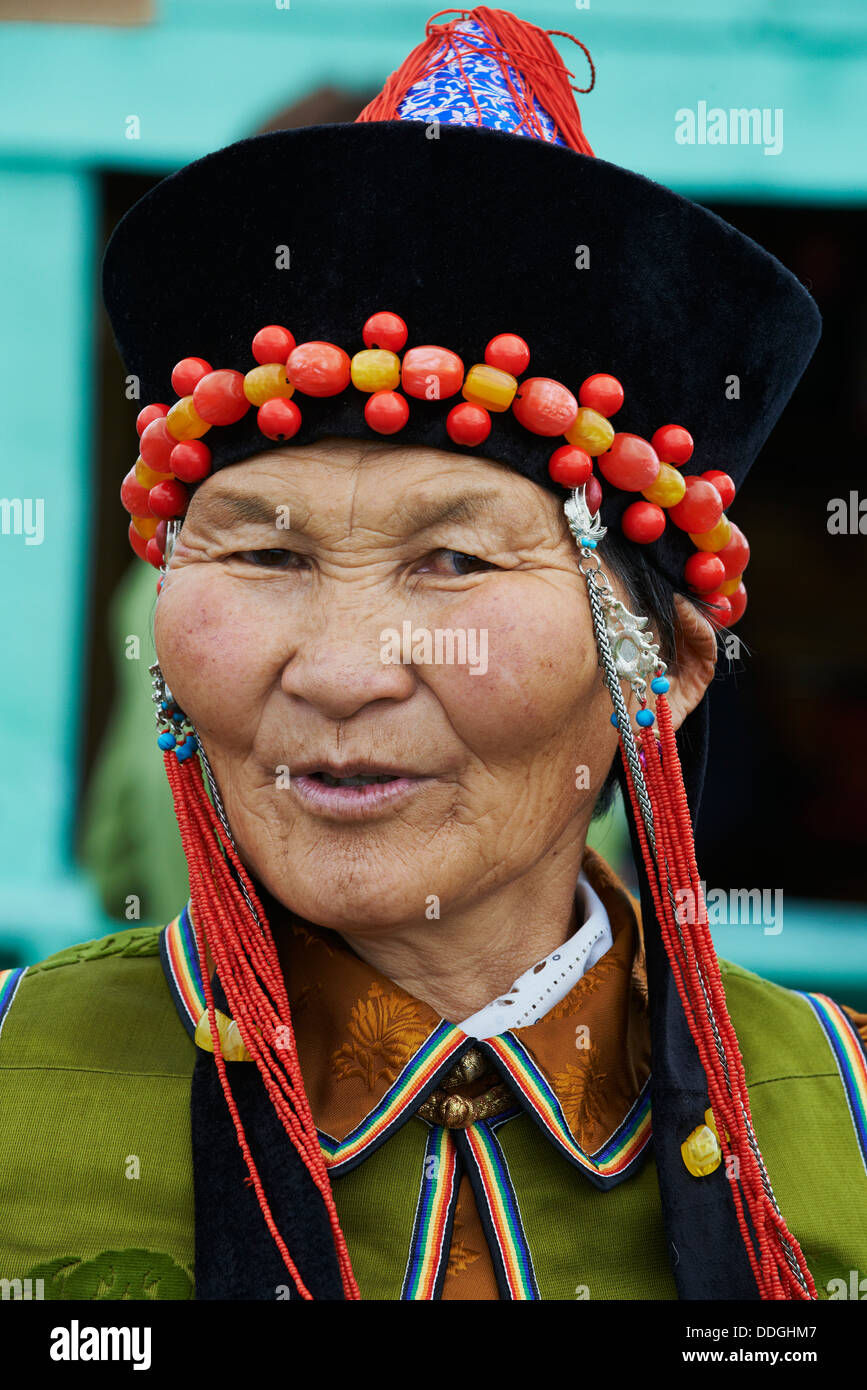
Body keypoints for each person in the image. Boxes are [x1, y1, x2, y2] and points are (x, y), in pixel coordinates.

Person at [1, 6, 865, 1302]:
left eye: (455, 561)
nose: (345, 671)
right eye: (267, 556)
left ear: (665, 664)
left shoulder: (841, 1122)